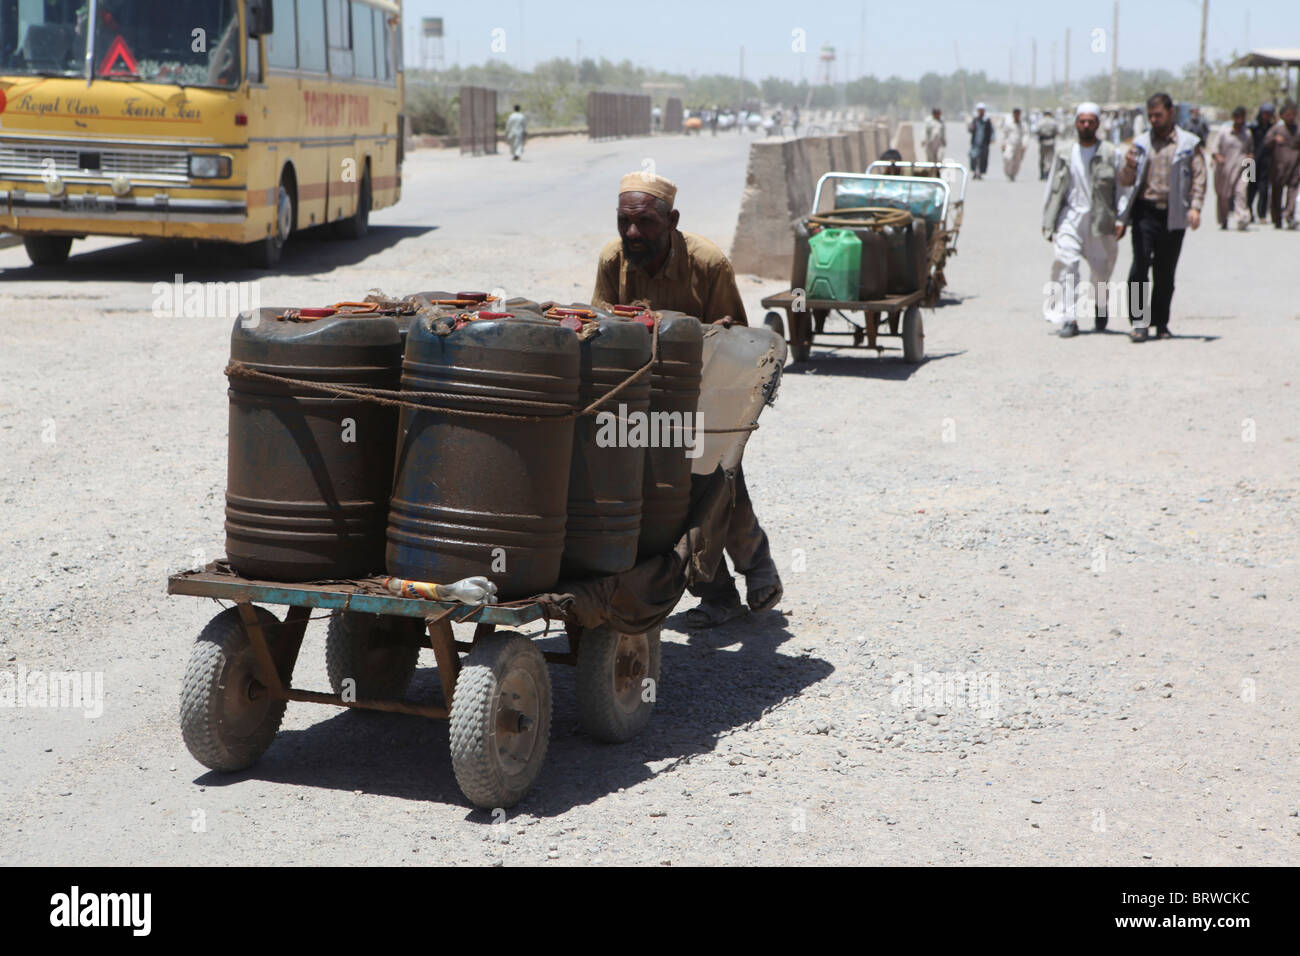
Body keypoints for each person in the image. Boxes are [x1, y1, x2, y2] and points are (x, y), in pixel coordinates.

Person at [591, 172, 783, 627]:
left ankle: (748, 571)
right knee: (668, 498)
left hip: (702, 393)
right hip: (638, 397)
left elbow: (737, 343)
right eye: (624, 223)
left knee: (714, 485)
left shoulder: (708, 263)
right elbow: (598, 330)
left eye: (645, 223)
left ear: (672, 220)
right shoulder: (611, 259)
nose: (633, 234)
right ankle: (723, 590)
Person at [1117, 92, 1206, 342]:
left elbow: (1199, 176)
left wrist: (1195, 207)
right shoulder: (1140, 143)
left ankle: (1161, 323)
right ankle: (1139, 322)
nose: (1154, 120)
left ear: (1171, 113)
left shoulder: (1188, 143)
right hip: (1145, 212)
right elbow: (1124, 180)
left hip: (1174, 214)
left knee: (1165, 272)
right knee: (1140, 266)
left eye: (1159, 115)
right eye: (1151, 116)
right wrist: (1129, 166)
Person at [1041, 102, 1123, 338]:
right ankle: (1069, 319)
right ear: (1076, 123)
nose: (1086, 125)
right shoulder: (1064, 152)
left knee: (1101, 270)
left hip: (1100, 218)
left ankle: (1100, 305)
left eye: (1090, 121)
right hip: (1070, 216)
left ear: (1097, 124)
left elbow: (1121, 188)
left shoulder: (1110, 152)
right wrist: (1047, 219)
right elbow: (1052, 188)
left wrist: (1121, 218)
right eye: (1082, 121)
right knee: (1068, 265)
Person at [1209, 106, 1253, 231]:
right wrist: (1218, 157)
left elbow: (1250, 152)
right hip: (1224, 170)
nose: (1240, 120)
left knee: (1241, 193)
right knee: (1223, 195)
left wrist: (1252, 172)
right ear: (1234, 118)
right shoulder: (1224, 132)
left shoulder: (1247, 134)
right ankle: (1223, 220)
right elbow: (1214, 149)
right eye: (1238, 117)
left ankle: (1242, 219)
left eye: (1243, 118)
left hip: (1242, 169)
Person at [1266, 100, 1300, 229]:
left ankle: (1289, 215)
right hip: (1278, 168)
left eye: (1293, 114)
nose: (1291, 117)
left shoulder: (1298, 129)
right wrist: (1274, 140)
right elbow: (1266, 143)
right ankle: (1277, 218)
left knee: (1292, 191)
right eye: (1288, 114)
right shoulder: (1277, 129)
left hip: (1294, 168)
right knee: (1276, 193)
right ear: (1283, 116)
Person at [1248, 103, 1275, 223]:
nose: (1266, 116)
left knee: (1264, 190)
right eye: (1265, 114)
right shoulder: (1253, 128)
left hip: (1266, 163)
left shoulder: (1273, 129)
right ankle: (1248, 212)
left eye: (1269, 114)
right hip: (1251, 163)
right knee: (1250, 188)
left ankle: (1262, 214)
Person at [968, 103, 994, 179]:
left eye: (982, 110)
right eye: (979, 110)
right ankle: (975, 171)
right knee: (974, 158)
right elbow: (970, 129)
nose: (981, 112)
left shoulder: (987, 121)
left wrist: (992, 138)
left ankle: (979, 173)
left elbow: (991, 131)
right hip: (975, 143)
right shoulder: (975, 120)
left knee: (982, 159)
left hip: (984, 143)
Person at [1001, 107, 1027, 181]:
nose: (1017, 115)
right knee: (1007, 158)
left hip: (1019, 145)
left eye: (1018, 113)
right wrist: (1003, 143)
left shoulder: (1023, 125)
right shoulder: (1009, 124)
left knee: (1017, 161)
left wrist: (1024, 144)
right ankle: (1008, 172)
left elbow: (1025, 135)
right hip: (1010, 144)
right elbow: (1005, 134)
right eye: (1015, 113)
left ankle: (1013, 174)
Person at [1036, 109, 1059, 180]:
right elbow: (1057, 131)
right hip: (1051, 142)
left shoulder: (1040, 122)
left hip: (1043, 142)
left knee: (1042, 158)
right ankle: (1047, 173)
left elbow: (1037, 131)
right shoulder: (1053, 122)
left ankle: (1042, 174)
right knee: (1049, 159)